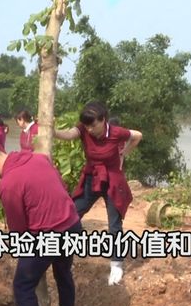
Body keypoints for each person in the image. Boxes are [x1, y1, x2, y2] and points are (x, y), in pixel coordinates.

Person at [0, 147, 82, 306]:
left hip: (48, 236)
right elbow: (62, 188)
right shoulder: (40, 158)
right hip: (72, 225)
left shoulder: (8, 183)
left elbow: (18, 228)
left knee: (22, 286)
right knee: (63, 272)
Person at [54, 102, 142, 286]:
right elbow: (69, 134)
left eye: (93, 125)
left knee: (114, 225)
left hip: (112, 179)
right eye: (86, 125)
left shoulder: (116, 132)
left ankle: (116, 264)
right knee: (72, 214)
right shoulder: (84, 130)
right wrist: (52, 131)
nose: (90, 129)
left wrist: (124, 152)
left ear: (103, 120)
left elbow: (137, 136)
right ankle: (72, 250)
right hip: (92, 176)